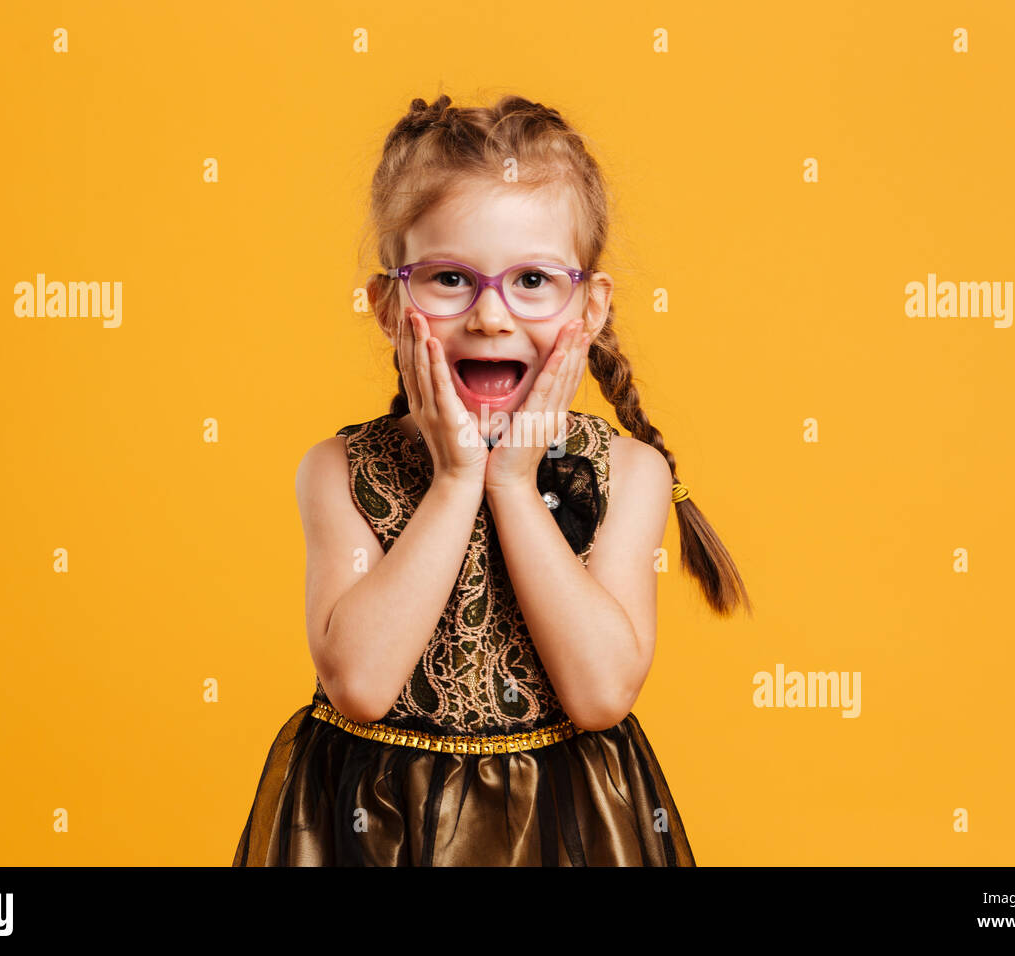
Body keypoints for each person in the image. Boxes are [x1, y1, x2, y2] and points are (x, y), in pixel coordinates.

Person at [233, 93, 752, 866]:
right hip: (377, 830)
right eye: (450, 278)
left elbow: (602, 693)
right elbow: (361, 684)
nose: (491, 317)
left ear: (591, 304)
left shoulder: (631, 475)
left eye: (534, 280)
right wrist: (453, 480)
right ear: (387, 304)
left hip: (564, 831)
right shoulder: (338, 470)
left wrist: (511, 483)